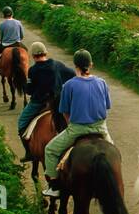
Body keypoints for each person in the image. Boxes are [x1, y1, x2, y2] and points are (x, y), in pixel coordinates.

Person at [42, 49, 112, 197]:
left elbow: (64, 111)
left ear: (76, 65)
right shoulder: (102, 82)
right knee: (114, 153)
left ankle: (54, 186)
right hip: (101, 128)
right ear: (91, 64)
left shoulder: (69, 85)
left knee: (50, 150)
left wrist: (71, 126)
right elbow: (106, 106)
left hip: (77, 129)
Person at [18, 42, 74, 137]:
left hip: (39, 102)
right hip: (58, 101)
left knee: (22, 121)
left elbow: (29, 91)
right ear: (46, 53)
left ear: (33, 56)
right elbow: (72, 74)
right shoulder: (57, 65)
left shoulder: (33, 70)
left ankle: (27, 149)